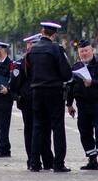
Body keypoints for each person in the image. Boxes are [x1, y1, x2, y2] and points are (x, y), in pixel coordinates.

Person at [27, 20, 73, 172]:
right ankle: (58, 163)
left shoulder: (32, 50)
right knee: (58, 127)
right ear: (54, 35)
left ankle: (34, 163)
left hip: (36, 91)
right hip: (54, 91)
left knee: (38, 126)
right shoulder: (56, 49)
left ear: (42, 32)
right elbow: (66, 73)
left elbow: (28, 73)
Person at [66, 38, 98, 171]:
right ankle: (92, 160)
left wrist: (93, 82)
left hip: (97, 104)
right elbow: (70, 87)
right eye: (81, 52)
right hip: (82, 105)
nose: (84, 54)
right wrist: (69, 104)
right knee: (84, 133)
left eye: (86, 51)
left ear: (92, 50)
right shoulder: (75, 67)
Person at [15, 34, 39, 169]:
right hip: (31, 100)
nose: (30, 47)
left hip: (30, 99)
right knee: (37, 129)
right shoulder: (23, 62)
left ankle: (33, 160)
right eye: (29, 44)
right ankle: (36, 159)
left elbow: (17, 84)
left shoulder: (24, 61)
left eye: (31, 44)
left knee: (32, 130)